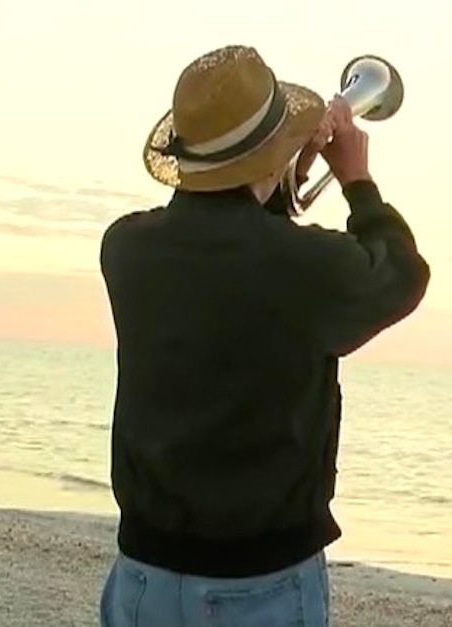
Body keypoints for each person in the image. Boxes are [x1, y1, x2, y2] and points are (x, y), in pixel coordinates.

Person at [96, 45, 430, 626]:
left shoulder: (125, 247)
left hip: (142, 575)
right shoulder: (304, 266)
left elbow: (241, 261)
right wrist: (356, 180)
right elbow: (401, 275)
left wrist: (273, 183)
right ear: (271, 157)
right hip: (259, 585)